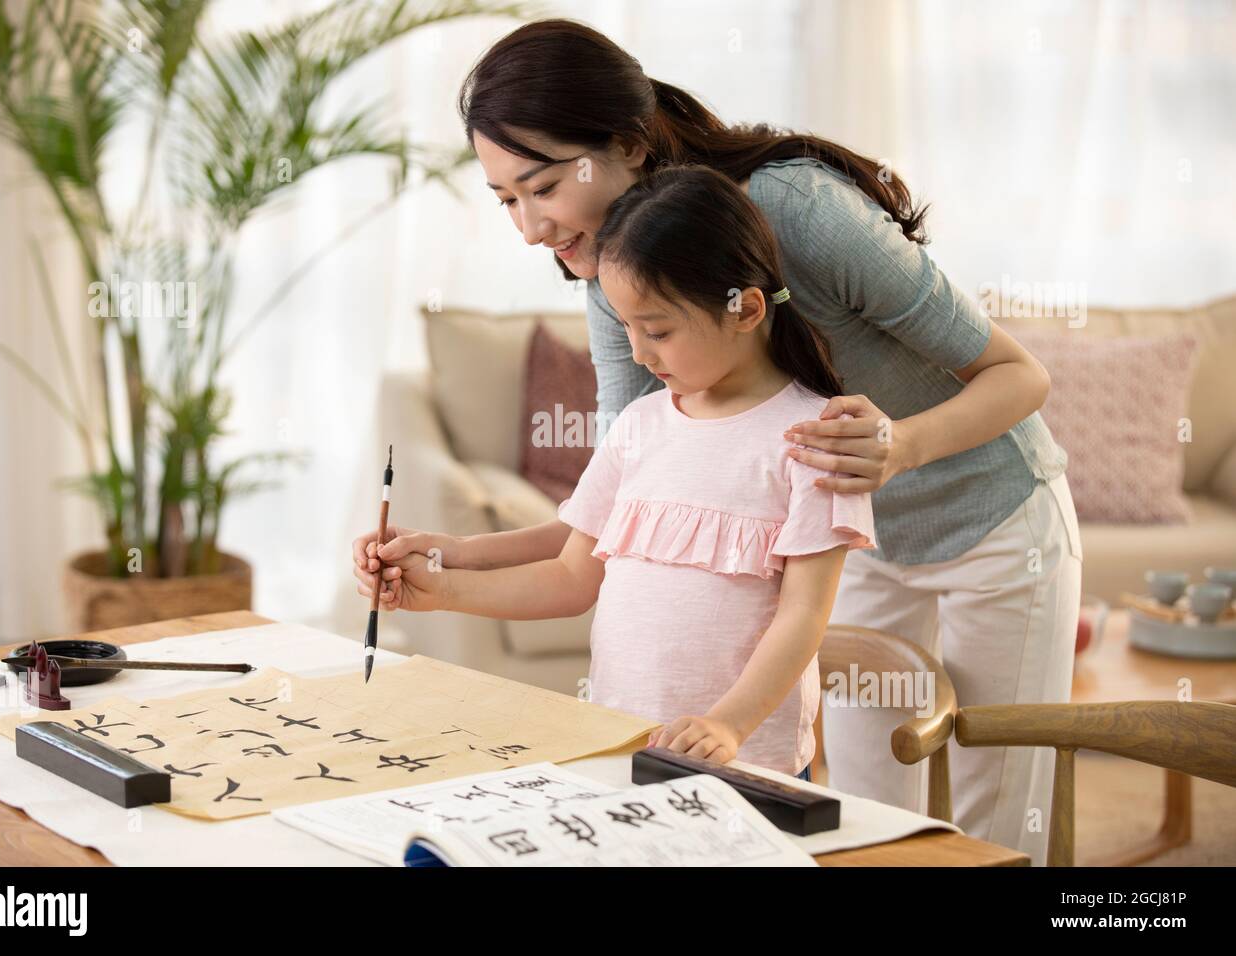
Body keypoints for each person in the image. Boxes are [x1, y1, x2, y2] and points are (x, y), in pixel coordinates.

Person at [355, 20, 1080, 863]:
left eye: (542, 188)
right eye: (505, 199)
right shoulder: (613, 279)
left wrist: (900, 447)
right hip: (852, 543)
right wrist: (451, 561)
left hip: (993, 519)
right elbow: (626, 497)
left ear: (623, 146)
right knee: (873, 816)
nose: (528, 228)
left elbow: (1020, 376)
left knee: (993, 815)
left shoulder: (797, 211)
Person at [363, 165, 876, 779]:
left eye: (657, 329)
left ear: (746, 310)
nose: (637, 351)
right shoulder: (641, 423)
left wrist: (728, 723)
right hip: (619, 743)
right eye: (626, 326)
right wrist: (446, 571)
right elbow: (570, 569)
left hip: (743, 759)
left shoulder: (814, 440)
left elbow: (803, 617)